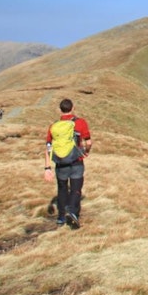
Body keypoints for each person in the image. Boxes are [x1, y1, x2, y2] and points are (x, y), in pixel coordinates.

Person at [44, 98, 92, 229]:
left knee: (62, 189)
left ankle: (60, 217)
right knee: (76, 188)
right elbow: (88, 142)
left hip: (60, 164)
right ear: (73, 108)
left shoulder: (54, 126)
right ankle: (72, 210)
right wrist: (86, 152)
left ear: (60, 110)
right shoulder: (80, 123)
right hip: (76, 161)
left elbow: (48, 147)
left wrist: (47, 168)